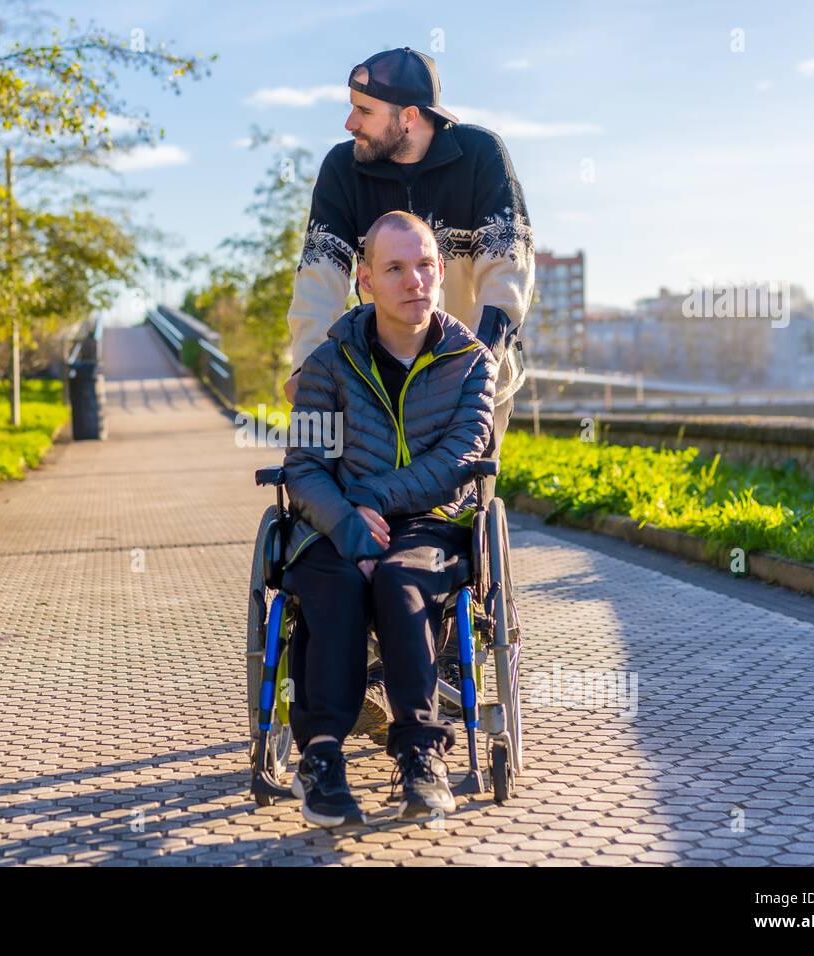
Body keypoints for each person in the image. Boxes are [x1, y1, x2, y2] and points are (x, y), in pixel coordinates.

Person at [283, 45, 535, 744]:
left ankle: (441, 650)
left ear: (411, 116)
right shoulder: (344, 171)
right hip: (363, 369)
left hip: (463, 366)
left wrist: (481, 352)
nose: (348, 123)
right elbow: (320, 273)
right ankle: (357, 662)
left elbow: (506, 260)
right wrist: (310, 364)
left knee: (447, 506)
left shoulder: (481, 156)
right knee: (334, 492)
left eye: (362, 111)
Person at [281, 211, 497, 826]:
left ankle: (422, 755)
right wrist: (348, 522)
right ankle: (322, 758)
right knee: (336, 584)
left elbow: (461, 456)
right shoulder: (329, 363)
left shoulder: (470, 361)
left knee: (402, 583)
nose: (415, 281)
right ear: (367, 282)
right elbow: (303, 466)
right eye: (395, 268)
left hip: (426, 521)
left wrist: (373, 495)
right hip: (336, 522)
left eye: (426, 265)